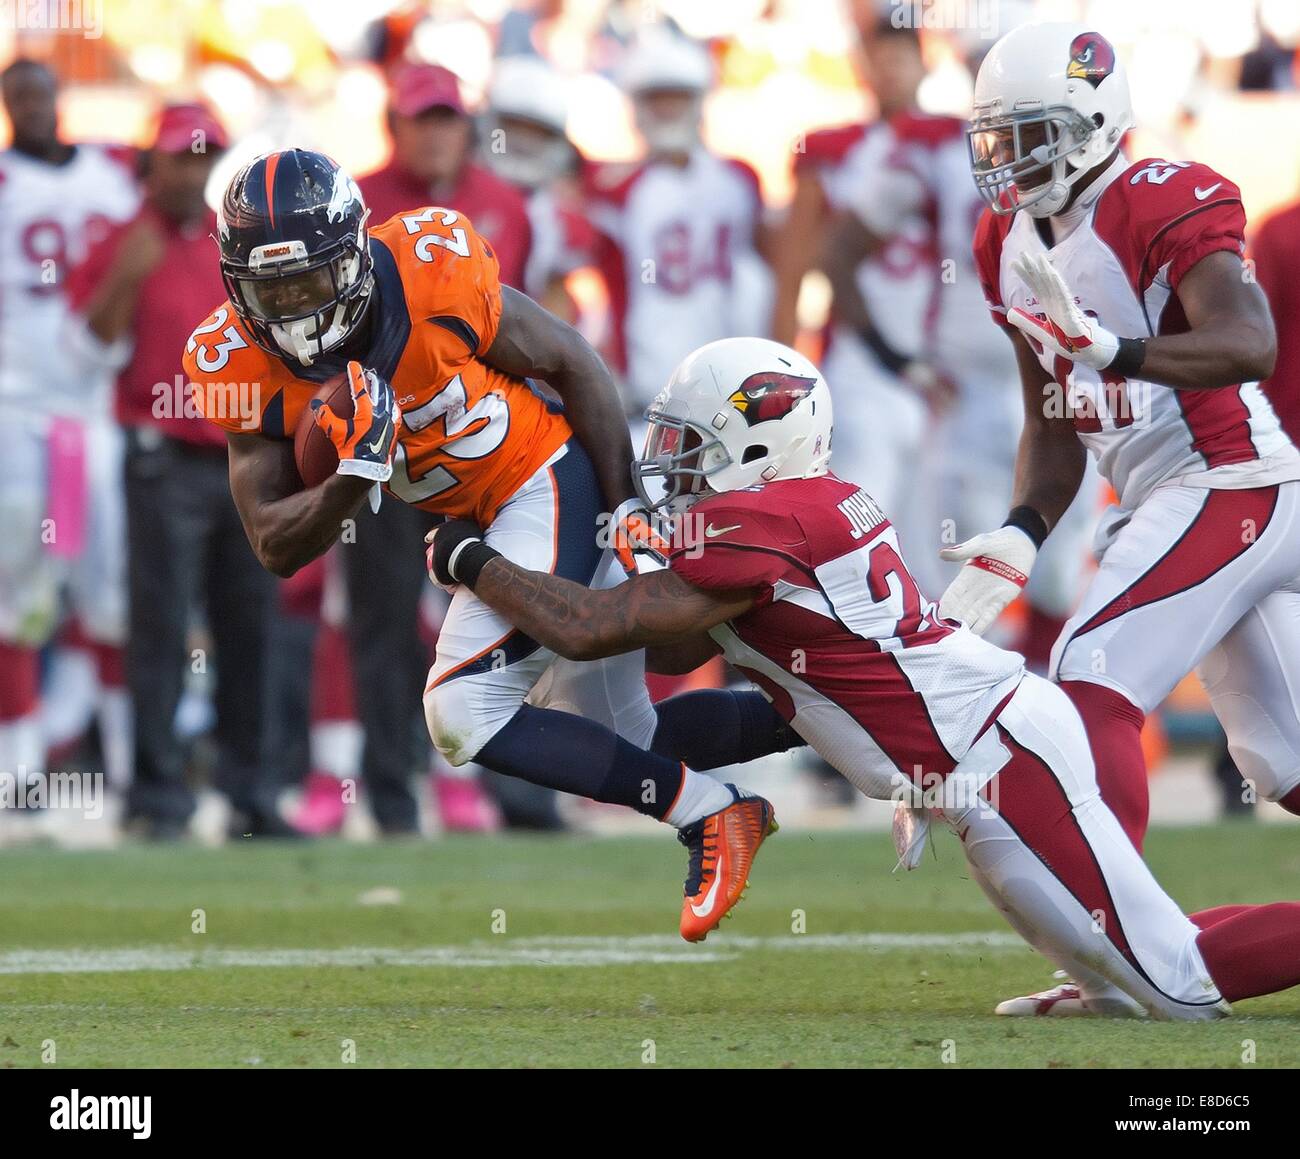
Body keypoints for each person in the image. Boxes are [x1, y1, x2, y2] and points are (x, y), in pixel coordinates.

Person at [427, 335, 1300, 1021]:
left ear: (760, 444)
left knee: (1181, 985)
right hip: (976, 764)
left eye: (689, 445)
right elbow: (665, 653)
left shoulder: (761, 520)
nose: (669, 463)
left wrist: (476, 559)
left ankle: (1137, 970)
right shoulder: (795, 507)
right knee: (1124, 974)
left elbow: (596, 631)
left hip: (1002, 757)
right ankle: (1108, 976)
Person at [183, 149, 801, 939]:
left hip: (539, 475)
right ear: (236, 284)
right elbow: (272, 541)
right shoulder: (229, 356)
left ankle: (713, 812)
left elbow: (570, 359)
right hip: (487, 509)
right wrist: (350, 478)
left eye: (308, 281)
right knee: (628, 741)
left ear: (351, 253)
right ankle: (815, 713)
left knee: (463, 708)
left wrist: (627, 513)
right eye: (272, 291)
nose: (295, 309)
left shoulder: (430, 266)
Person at [938, 23, 1300, 1012]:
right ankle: (1130, 949)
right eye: (996, 138)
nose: (1008, 160)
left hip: (1228, 480)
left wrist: (1117, 351)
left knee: (1089, 679)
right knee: (1288, 757)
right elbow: (1053, 418)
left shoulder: (1154, 196)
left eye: (1031, 133)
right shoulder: (999, 241)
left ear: (1096, 118)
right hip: (1173, 496)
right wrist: (1018, 531)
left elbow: (1248, 342)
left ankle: (1116, 947)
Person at [67, 102, 293, 838]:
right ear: (151, 163)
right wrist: (125, 280)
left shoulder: (235, 237)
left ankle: (250, 792)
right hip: (162, 456)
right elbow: (88, 353)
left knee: (249, 623)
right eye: (182, 156)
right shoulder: (122, 239)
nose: (194, 169)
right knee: (160, 628)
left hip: (243, 453)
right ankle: (159, 793)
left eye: (205, 156)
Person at [822, 107, 1099, 666]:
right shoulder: (939, 147)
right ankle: (966, 721)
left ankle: (1049, 711)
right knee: (967, 568)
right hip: (970, 385)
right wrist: (895, 358)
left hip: (1070, 377)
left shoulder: (1095, 148)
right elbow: (840, 251)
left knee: (1062, 563)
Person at [0, 58, 138, 794]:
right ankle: (18, 767)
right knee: (18, 591)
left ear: (58, 97)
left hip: (96, 409)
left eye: (38, 92)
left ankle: (124, 766)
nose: (29, 105)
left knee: (110, 590)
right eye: (16, 96)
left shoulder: (114, 170)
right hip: (16, 411)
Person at [586, 32, 770, 425]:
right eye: (657, 99)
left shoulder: (739, 179)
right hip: (647, 393)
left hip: (731, 389)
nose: (668, 110)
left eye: (677, 97)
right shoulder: (613, 189)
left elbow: (768, 269)